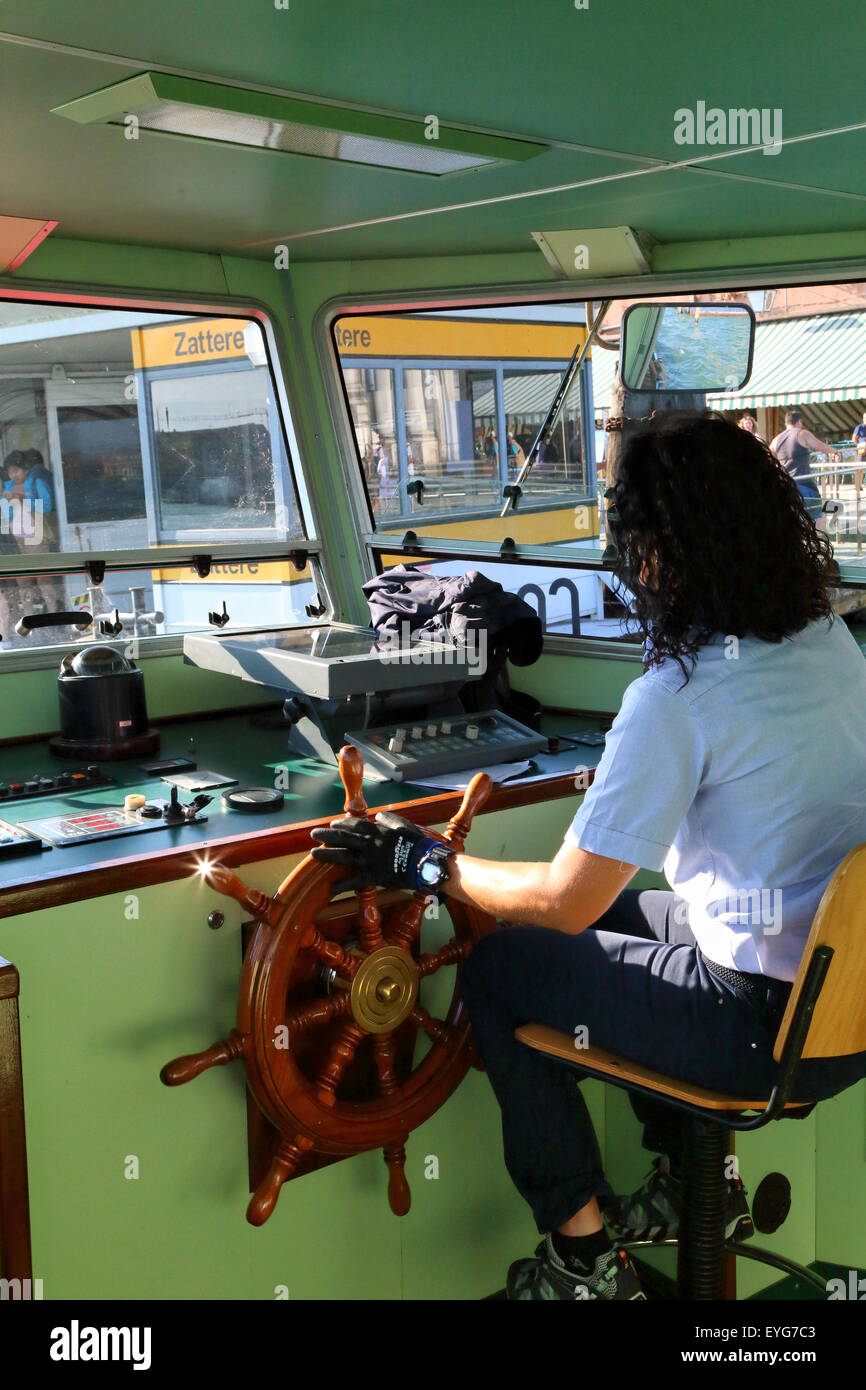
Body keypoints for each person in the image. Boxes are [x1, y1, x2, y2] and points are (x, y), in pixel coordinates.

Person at [310, 414, 866, 1301]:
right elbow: (602, 904)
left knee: (500, 968)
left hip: (761, 1030)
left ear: (656, 552)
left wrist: (425, 864)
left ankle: (582, 1260)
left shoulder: (677, 697)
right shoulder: (830, 643)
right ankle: (694, 1187)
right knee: (618, 919)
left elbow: (564, 901)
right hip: (843, 1007)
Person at [770, 408, 839, 528]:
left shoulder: (776, 440)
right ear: (799, 422)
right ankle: (819, 543)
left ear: (786, 423)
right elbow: (821, 447)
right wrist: (834, 451)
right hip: (805, 486)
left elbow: (770, 457)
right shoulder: (802, 433)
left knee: (791, 522)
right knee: (816, 519)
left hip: (786, 486)